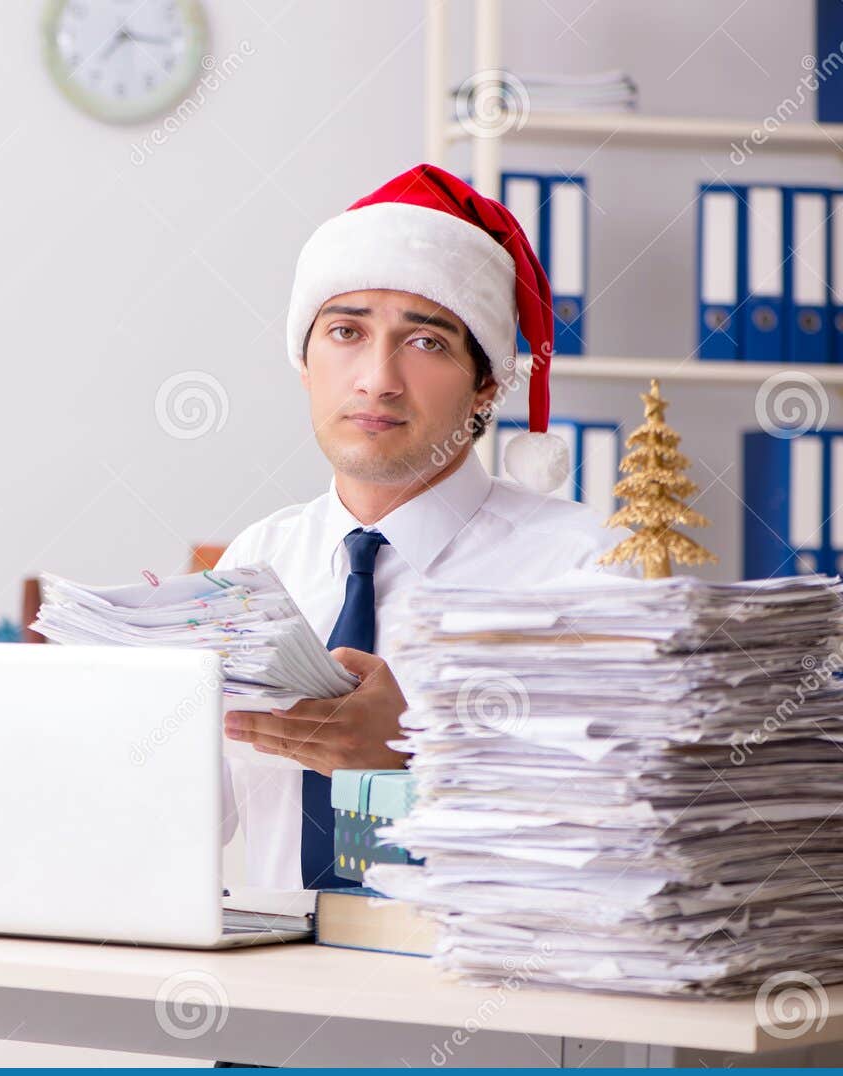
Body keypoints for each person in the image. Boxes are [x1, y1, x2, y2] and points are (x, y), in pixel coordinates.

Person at [216, 163, 626, 895]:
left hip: (488, 963)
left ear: (487, 383)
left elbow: (625, 833)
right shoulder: (258, 561)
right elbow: (175, 816)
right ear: (304, 363)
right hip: (278, 962)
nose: (378, 378)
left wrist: (420, 752)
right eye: (346, 332)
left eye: (427, 342)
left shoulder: (582, 568)